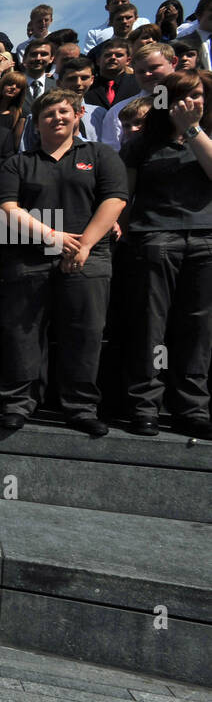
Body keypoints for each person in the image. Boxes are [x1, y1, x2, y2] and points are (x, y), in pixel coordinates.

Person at [0, 88, 129, 435]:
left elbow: (114, 200)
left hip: (88, 258)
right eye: (48, 114)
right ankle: (19, 404)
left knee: (84, 334)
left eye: (64, 111)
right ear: (36, 123)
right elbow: (7, 208)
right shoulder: (18, 163)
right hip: (28, 261)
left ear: (78, 114)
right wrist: (52, 237)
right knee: (23, 335)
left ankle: (80, 407)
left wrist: (83, 245)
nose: (57, 118)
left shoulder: (100, 155)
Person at [120, 69, 212, 438]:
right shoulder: (142, 144)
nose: (190, 103)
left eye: (197, 95)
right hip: (154, 241)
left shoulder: (205, 137)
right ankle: (145, 405)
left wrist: (192, 130)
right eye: (181, 96)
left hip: (204, 241)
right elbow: (123, 199)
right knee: (150, 327)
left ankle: (192, 407)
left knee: (198, 328)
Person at [0, 70, 28, 149]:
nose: (13, 87)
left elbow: (16, 143)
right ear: (2, 85)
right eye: (10, 84)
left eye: (18, 86)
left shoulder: (20, 114)